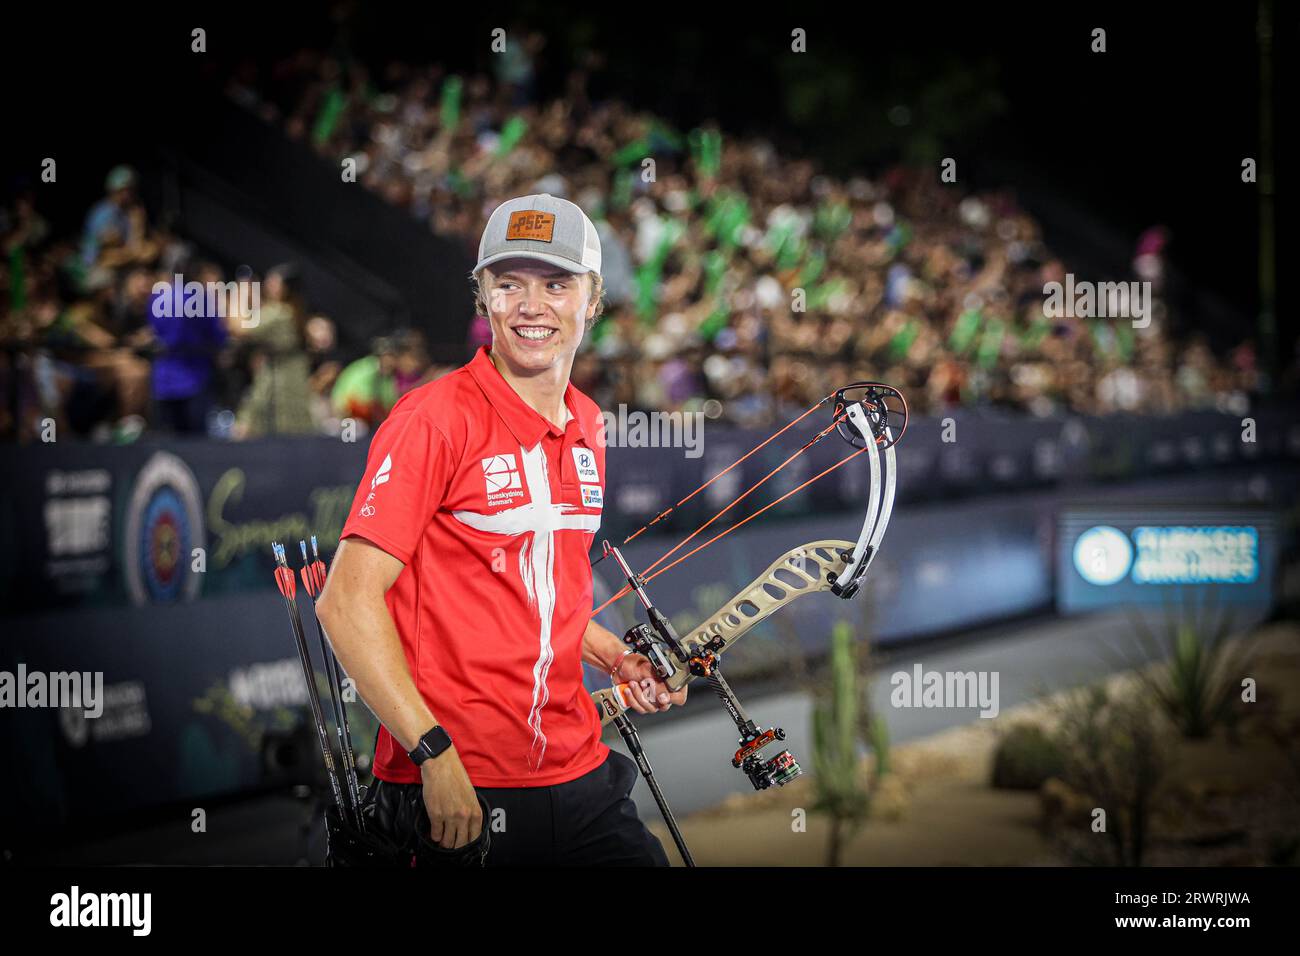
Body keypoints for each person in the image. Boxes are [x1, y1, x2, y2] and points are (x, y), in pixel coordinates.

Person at [316, 194, 684, 866]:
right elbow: (345, 600)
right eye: (508, 283)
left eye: (556, 283)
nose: (531, 306)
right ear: (482, 297)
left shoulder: (589, 422)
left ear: (594, 299)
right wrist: (433, 752)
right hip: (458, 788)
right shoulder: (432, 418)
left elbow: (540, 592)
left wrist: (611, 655)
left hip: (579, 774)